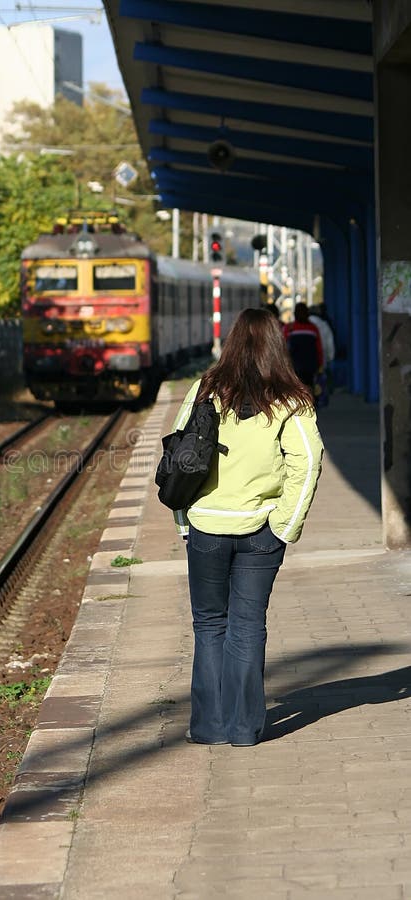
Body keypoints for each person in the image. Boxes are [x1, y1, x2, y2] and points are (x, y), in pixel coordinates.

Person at [171, 308, 323, 747]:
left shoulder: (205, 391)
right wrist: (284, 525)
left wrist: (184, 522)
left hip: (206, 528)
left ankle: (208, 727)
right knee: (247, 625)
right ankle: (243, 729)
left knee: (209, 625)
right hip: (262, 532)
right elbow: (308, 462)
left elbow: (177, 460)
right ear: (278, 344)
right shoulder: (292, 400)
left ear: (231, 342)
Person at [283, 302, 323, 392]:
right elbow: (319, 350)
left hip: (294, 368)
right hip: (311, 367)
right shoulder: (313, 328)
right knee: (309, 390)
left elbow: (283, 348)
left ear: (295, 314)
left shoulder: (289, 328)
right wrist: (320, 366)